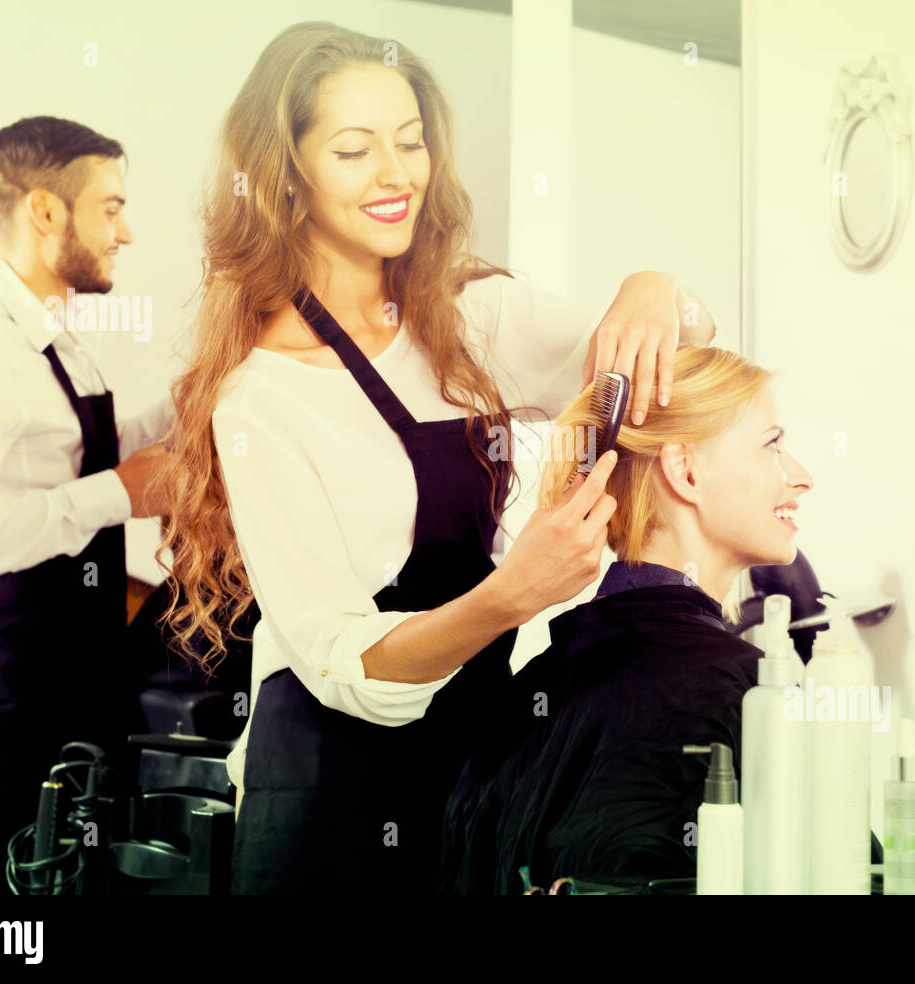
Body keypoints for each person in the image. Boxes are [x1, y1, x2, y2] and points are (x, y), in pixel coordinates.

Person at [155, 20, 715, 896]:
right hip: (328, 792)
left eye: (410, 143)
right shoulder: (261, 398)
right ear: (287, 175)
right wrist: (512, 595)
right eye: (353, 150)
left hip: (468, 767)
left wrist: (653, 287)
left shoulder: (471, 318)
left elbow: (669, 365)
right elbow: (346, 663)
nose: (396, 174)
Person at [0, 117, 172, 895]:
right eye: (110, 208)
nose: (127, 231)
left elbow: (88, 452)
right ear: (46, 211)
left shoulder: (57, 345)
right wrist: (116, 494)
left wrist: (201, 394)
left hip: (61, 680)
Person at [441, 346, 813, 894]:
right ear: (685, 471)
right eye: (772, 445)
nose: (802, 477)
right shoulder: (750, 690)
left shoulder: (525, 690)